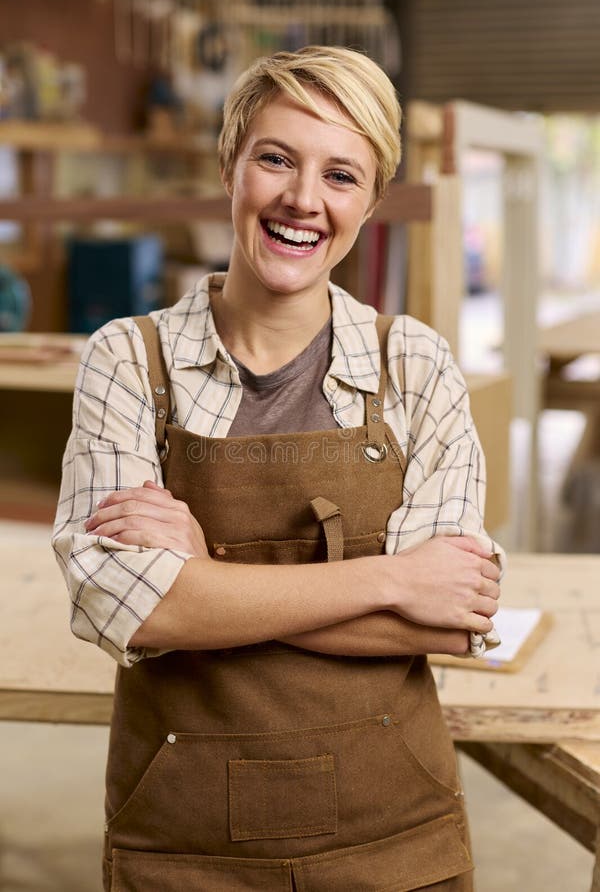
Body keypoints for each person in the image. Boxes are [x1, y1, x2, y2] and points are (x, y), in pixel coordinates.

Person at [53, 46, 504, 892]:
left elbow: (446, 620)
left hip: (395, 847)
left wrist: (200, 576)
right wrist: (391, 581)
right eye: (276, 159)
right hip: (182, 855)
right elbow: (124, 606)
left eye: (342, 174)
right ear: (231, 165)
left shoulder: (414, 363)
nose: (303, 199)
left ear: (369, 202)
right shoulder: (129, 360)